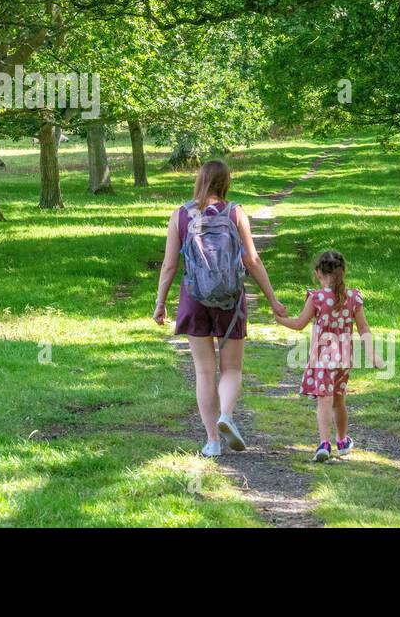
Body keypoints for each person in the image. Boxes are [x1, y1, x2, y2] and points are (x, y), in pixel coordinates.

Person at [154, 159, 284, 457]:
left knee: (203, 371)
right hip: (230, 300)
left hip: (193, 299)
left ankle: (212, 441)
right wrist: (272, 300)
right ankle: (226, 414)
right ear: (227, 181)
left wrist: (161, 302)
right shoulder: (235, 213)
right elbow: (252, 261)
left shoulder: (180, 215)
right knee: (232, 368)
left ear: (200, 180)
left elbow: (170, 264)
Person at [273, 249, 385, 462]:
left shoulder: (316, 298)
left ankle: (324, 444)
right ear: (343, 271)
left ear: (318, 273)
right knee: (339, 400)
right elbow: (363, 329)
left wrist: (280, 320)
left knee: (323, 401)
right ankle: (342, 441)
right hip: (344, 359)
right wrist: (372, 354)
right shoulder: (353, 298)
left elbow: (299, 324)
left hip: (323, 358)